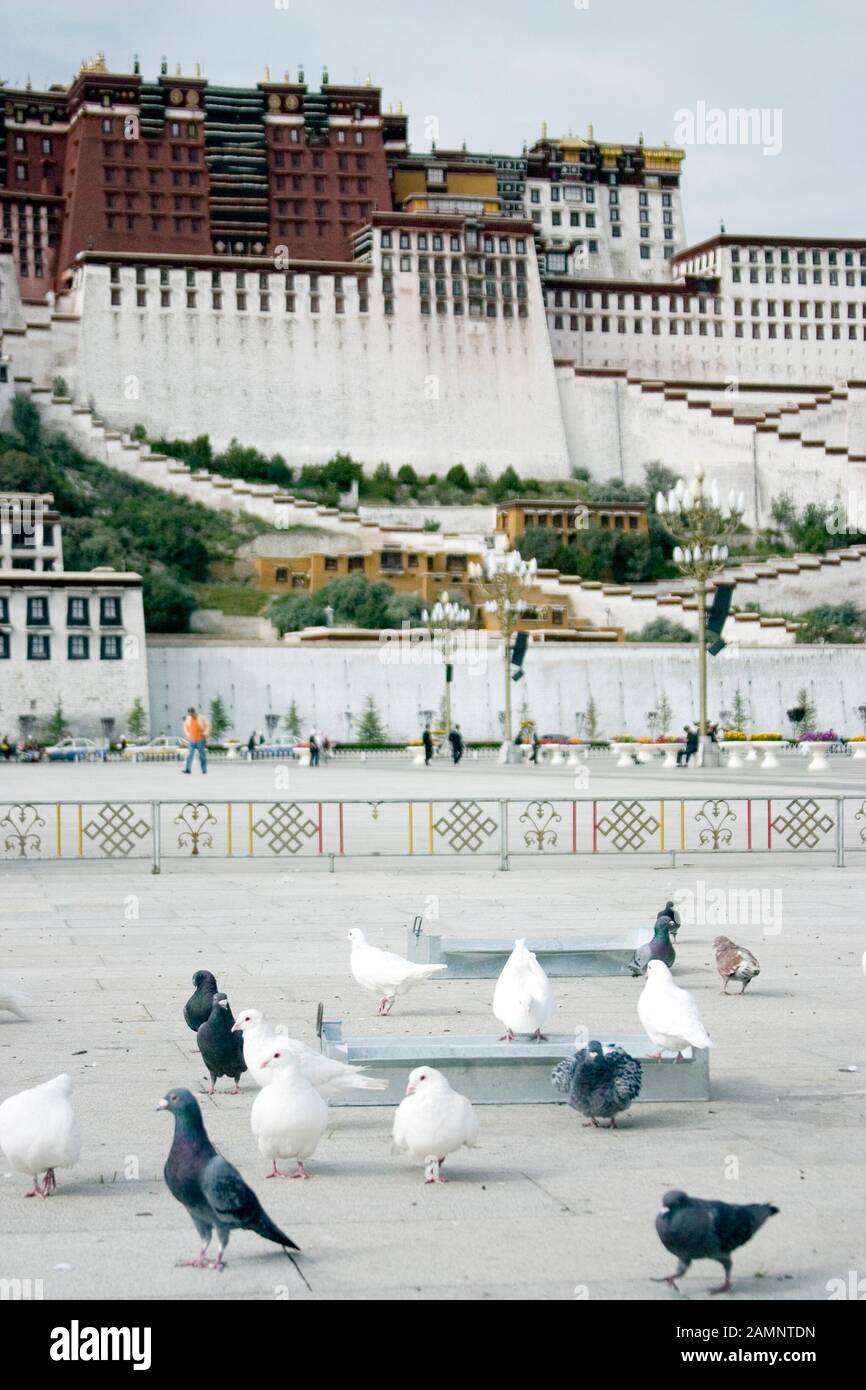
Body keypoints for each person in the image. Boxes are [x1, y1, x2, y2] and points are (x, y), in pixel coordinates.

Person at [182, 707, 208, 774]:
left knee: (202, 755)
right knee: (189, 755)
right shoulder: (188, 718)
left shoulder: (202, 718)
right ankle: (188, 769)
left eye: (191, 713)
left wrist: (205, 733)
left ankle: (204, 769)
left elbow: (208, 725)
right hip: (191, 740)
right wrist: (187, 734)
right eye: (189, 714)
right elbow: (185, 727)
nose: (190, 715)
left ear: (194, 712)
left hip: (200, 739)